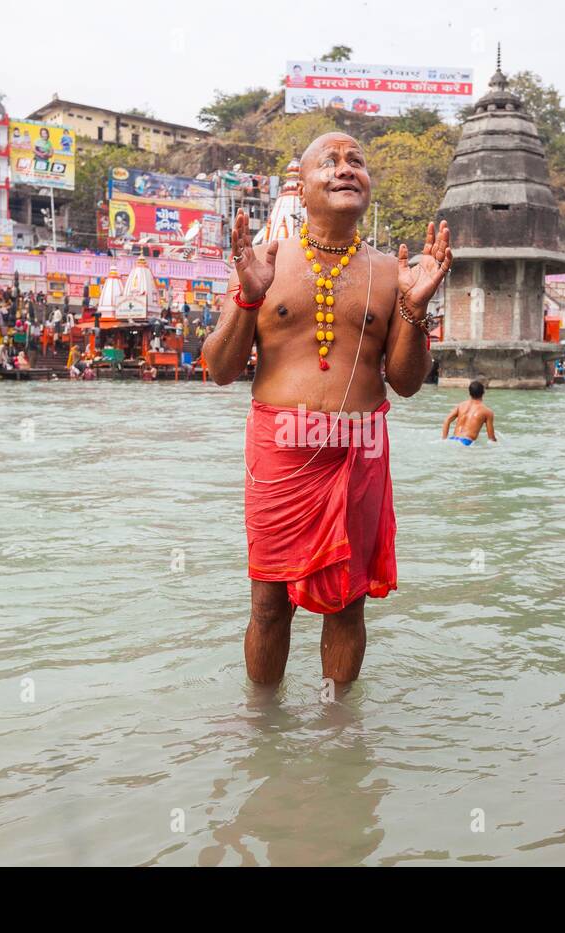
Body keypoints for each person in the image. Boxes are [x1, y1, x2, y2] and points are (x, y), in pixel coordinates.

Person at [201, 131, 449, 688]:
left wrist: (414, 308)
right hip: (279, 450)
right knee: (269, 603)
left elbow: (407, 384)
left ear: (368, 185)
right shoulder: (265, 258)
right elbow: (218, 368)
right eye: (329, 162)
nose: (345, 169)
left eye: (355, 162)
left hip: (359, 447)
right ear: (301, 186)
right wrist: (247, 296)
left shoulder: (391, 273)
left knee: (348, 605)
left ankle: (341, 733)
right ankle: (263, 727)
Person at [442, 381, 497, 445]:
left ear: (469, 393)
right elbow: (491, 438)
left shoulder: (461, 405)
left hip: (453, 439)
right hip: (466, 442)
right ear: (483, 392)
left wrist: (444, 439)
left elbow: (447, 420)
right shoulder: (487, 412)